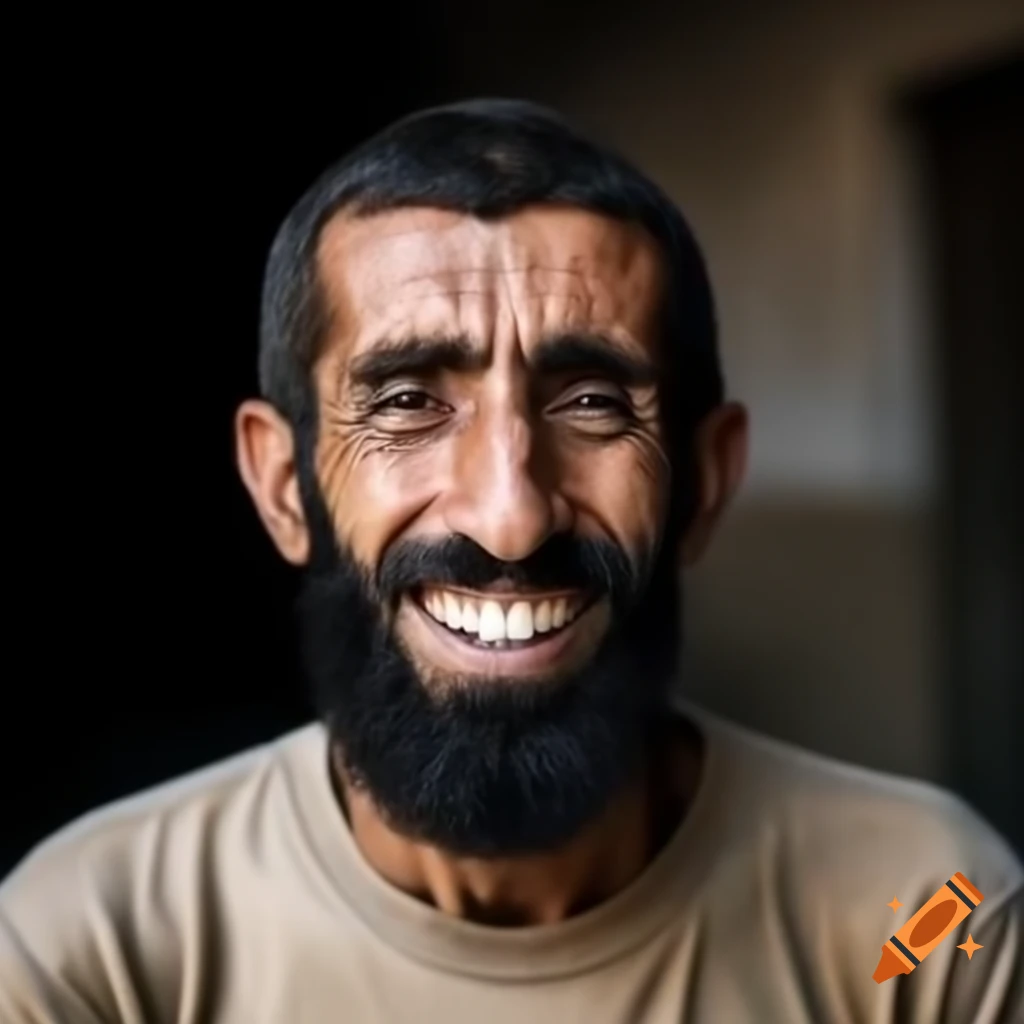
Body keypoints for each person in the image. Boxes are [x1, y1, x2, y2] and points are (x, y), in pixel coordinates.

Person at [1, 99, 1020, 1024]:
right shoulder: (96, 947)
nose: (510, 518)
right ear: (281, 485)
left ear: (703, 483)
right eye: (405, 402)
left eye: (593, 403)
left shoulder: (926, 912)